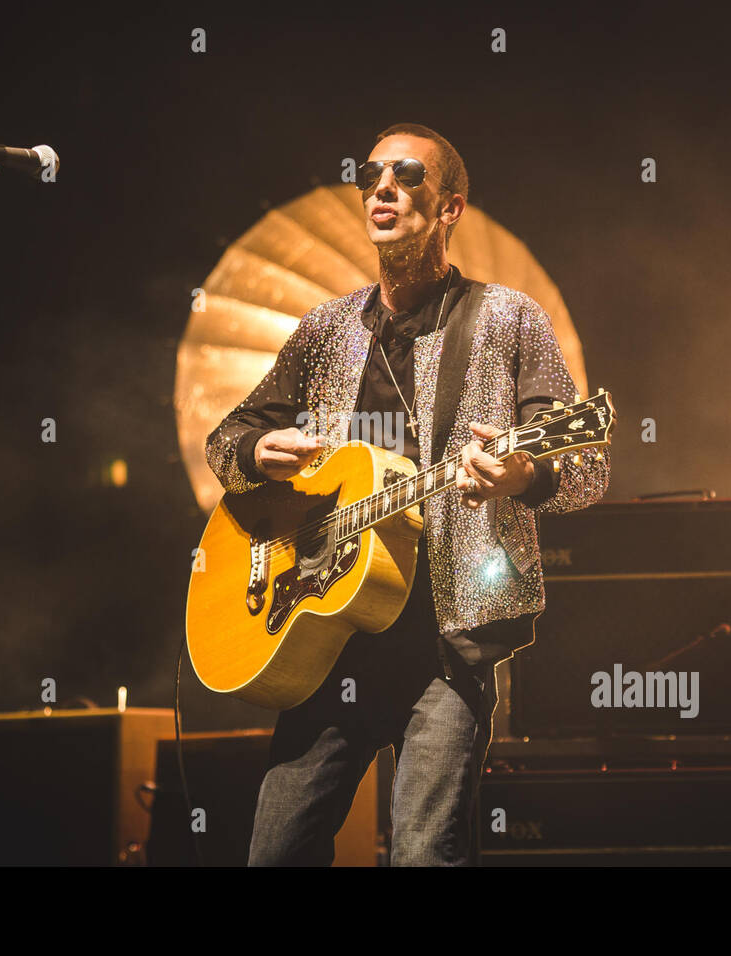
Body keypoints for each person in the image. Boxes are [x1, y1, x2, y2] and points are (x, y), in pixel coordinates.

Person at [205, 122, 610, 865]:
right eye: (370, 173)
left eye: (406, 174)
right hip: (325, 639)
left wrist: (521, 473)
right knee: (273, 854)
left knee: (424, 854)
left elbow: (585, 468)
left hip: (444, 646)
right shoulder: (325, 328)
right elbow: (225, 438)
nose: (381, 186)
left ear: (450, 208)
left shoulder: (509, 318)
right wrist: (257, 451)